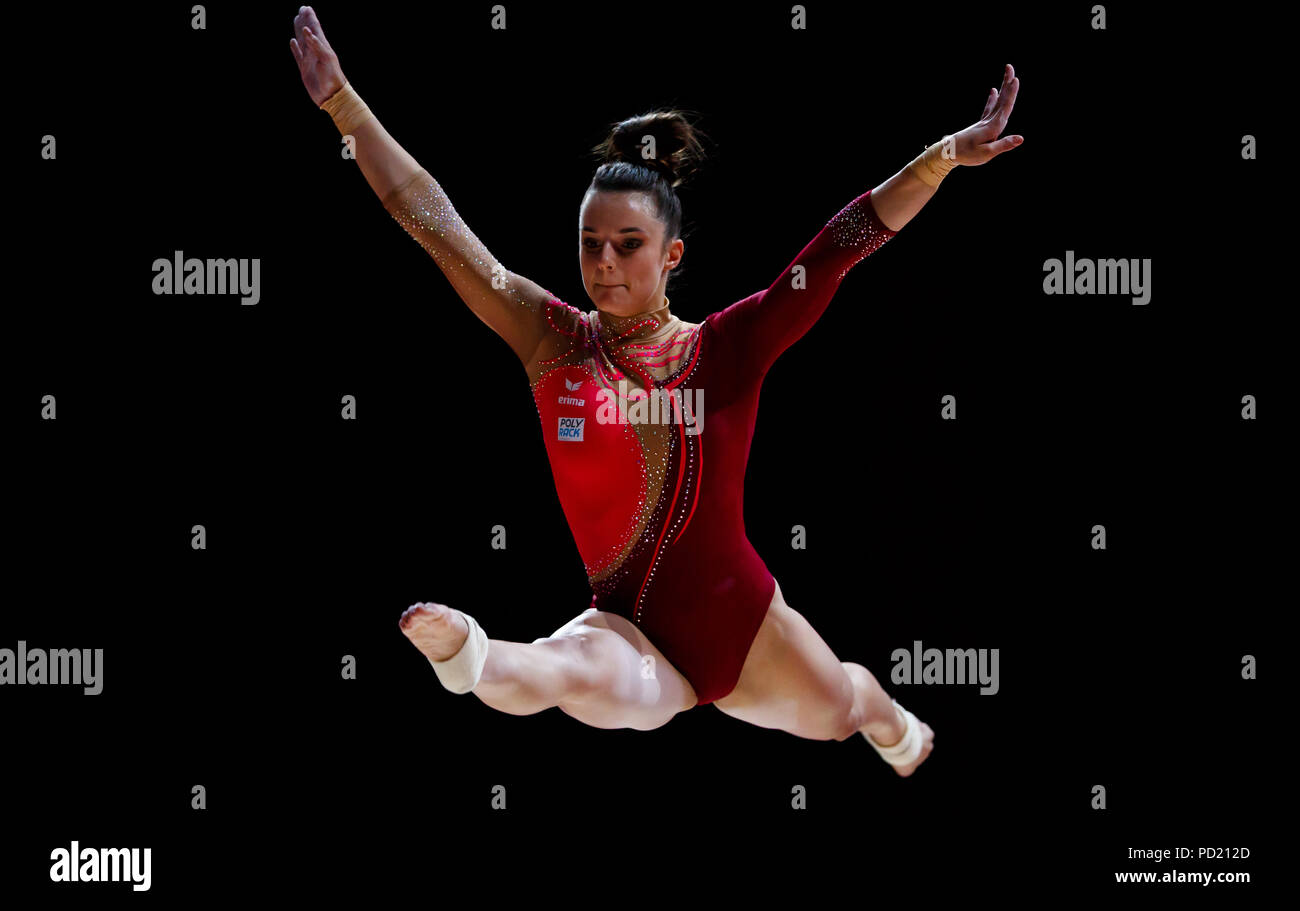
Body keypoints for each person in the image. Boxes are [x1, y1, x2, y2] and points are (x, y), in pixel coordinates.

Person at [290, 6, 1022, 777]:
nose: (603, 261)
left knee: (842, 707)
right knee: (575, 669)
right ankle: (473, 654)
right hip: (628, 630)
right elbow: (436, 225)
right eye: (589, 243)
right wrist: (345, 106)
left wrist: (941, 158)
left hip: (743, 631)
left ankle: (890, 719)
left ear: (672, 254)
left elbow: (838, 248)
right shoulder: (552, 339)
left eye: (628, 244)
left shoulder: (727, 349)